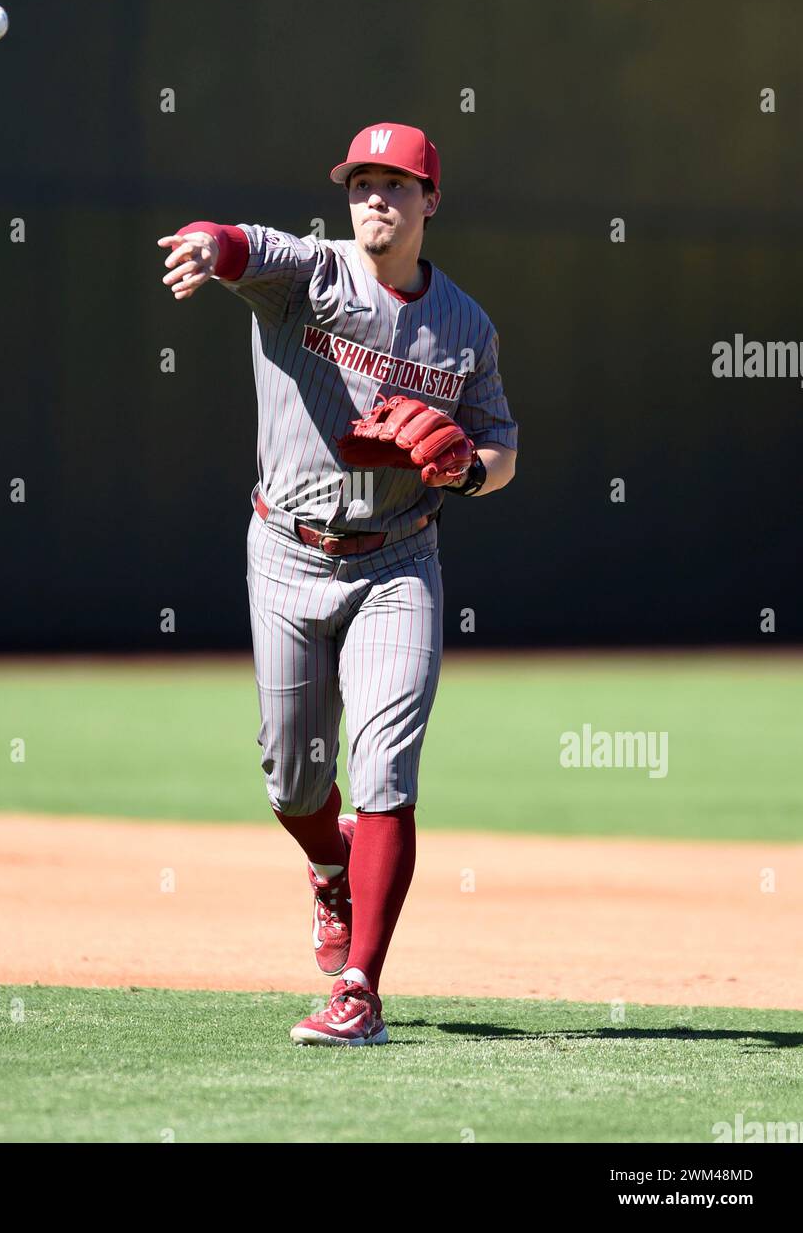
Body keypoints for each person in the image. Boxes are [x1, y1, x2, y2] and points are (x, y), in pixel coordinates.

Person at [159, 122, 518, 1046]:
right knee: (291, 778)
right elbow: (243, 244)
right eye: (362, 182)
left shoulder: (465, 325)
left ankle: (360, 991)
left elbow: (502, 449)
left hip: (399, 558)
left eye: (396, 185)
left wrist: (468, 472)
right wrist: (210, 243)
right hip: (285, 551)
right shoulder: (309, 275)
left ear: (429, 201)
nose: (375, 199)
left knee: (384, 770)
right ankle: (329, 869)